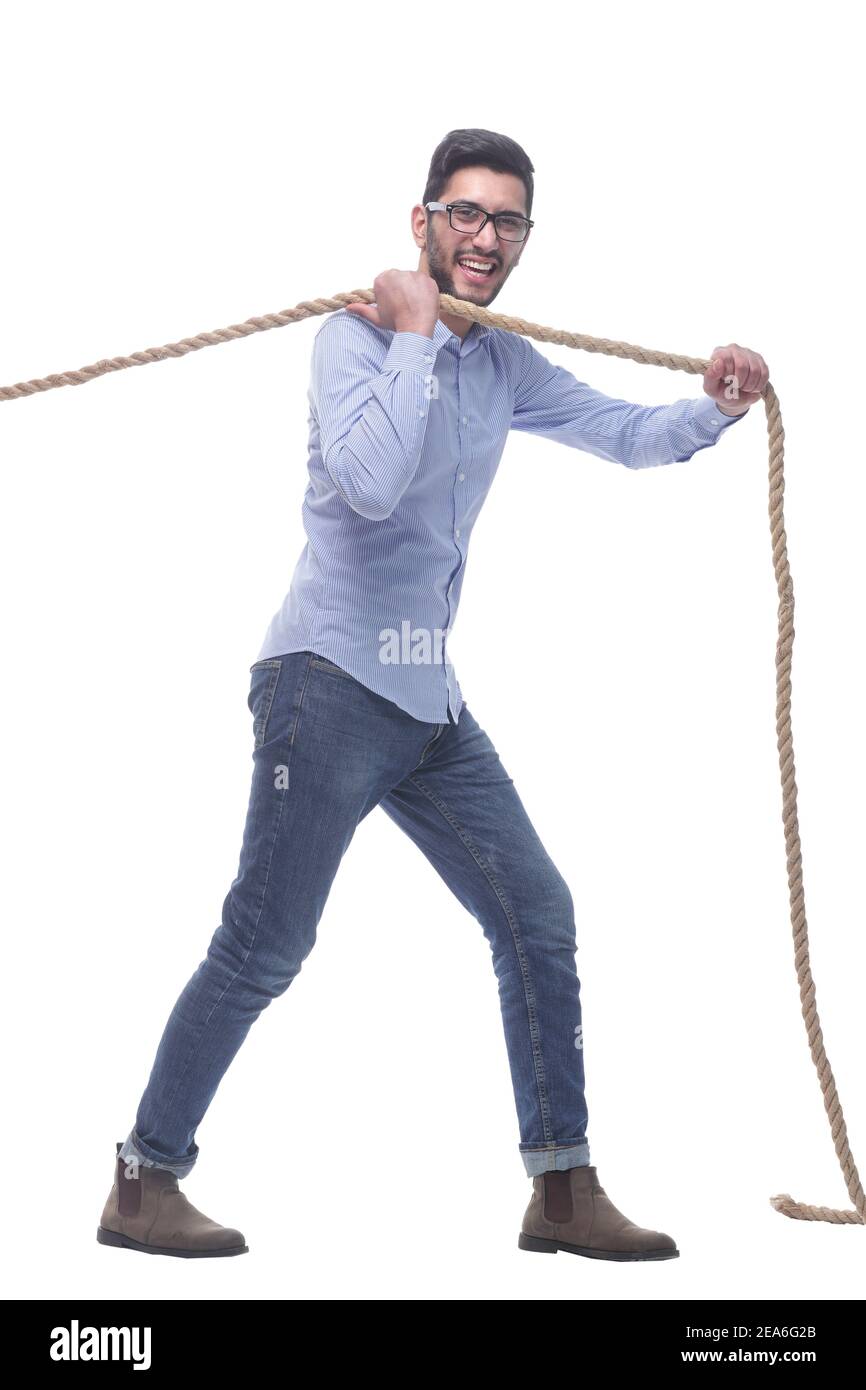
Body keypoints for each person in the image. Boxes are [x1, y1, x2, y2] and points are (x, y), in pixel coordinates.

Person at [97, 128, 768, 1261]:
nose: (484, 238)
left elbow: (621, 432)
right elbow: (366, 486)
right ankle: (141, 1179)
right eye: (464, 214)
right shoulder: (350, 341)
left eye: (505, 221)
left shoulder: (502, 362)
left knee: (535, 913)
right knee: (265, 946)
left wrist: (713, 405)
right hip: (324, 685)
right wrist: (412, 334)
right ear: (421, 222)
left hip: (428, 709)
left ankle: (559, 1191)